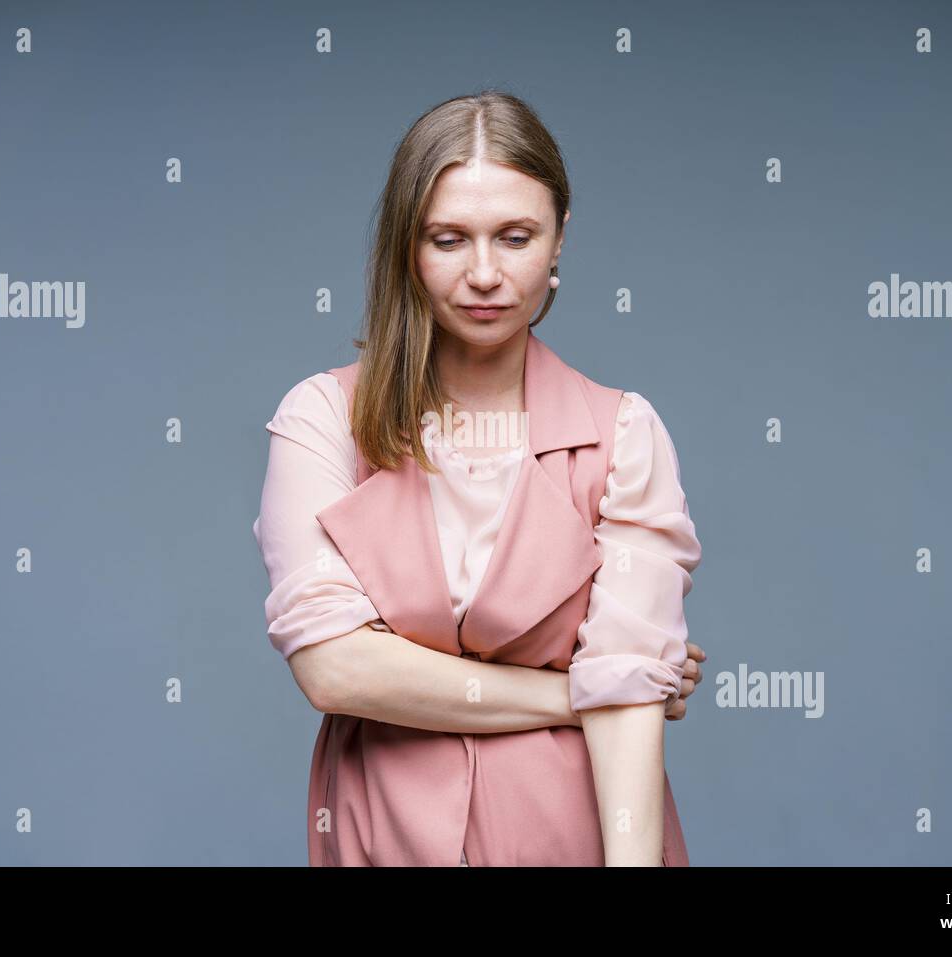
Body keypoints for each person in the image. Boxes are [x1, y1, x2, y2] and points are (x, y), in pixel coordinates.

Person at [254, 90, 706, 866]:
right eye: (450, 239)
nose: (486, 273)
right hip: (380, 838)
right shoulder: (321, 418)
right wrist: (584, 688)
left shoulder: (625, 433)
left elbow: (631, 709)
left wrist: (624, 689)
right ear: (407, 246)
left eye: (516, 236)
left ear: (561, 239)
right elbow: (334, 668)